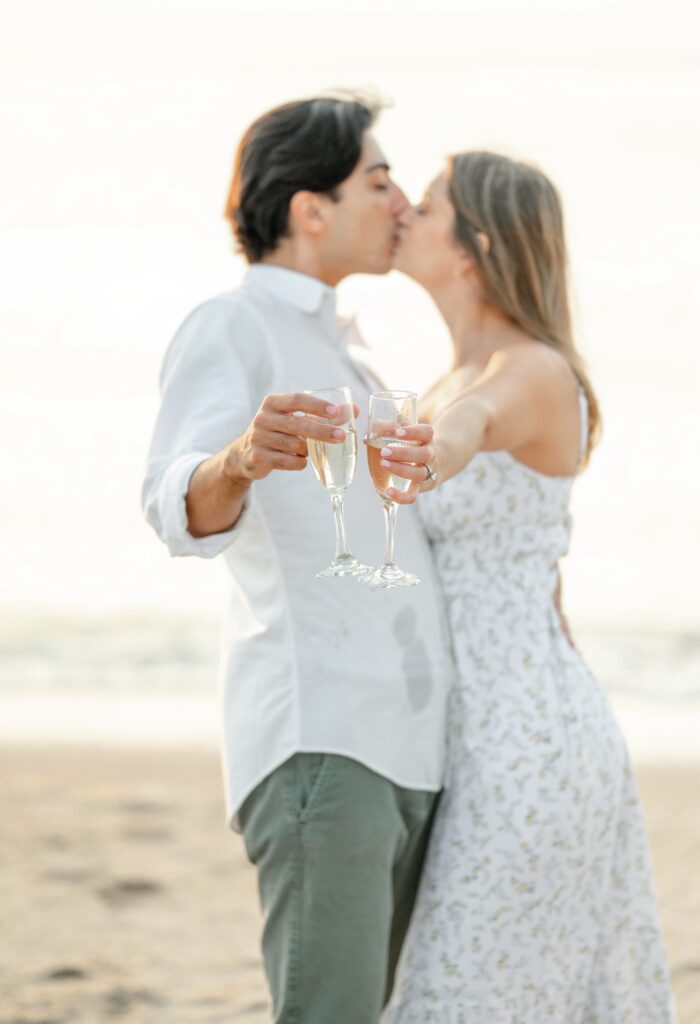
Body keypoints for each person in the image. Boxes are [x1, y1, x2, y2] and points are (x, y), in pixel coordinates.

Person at [141, 95, 456, 1024]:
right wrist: (240, 456)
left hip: (403, 745)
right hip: (325, 737)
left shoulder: (346, 342)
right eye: (378, 179)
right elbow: (171, 502)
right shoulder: (231, 324)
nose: (401, 202)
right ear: (310, 209)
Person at [378, 152, 677, 1022]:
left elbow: (474, 426)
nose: (404, 212)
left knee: (460, 997)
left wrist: (434, 450)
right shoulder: (450, 378)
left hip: (528, 748)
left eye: (426, 205)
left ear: (472, 247)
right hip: (472, 737)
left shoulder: (529, 372)